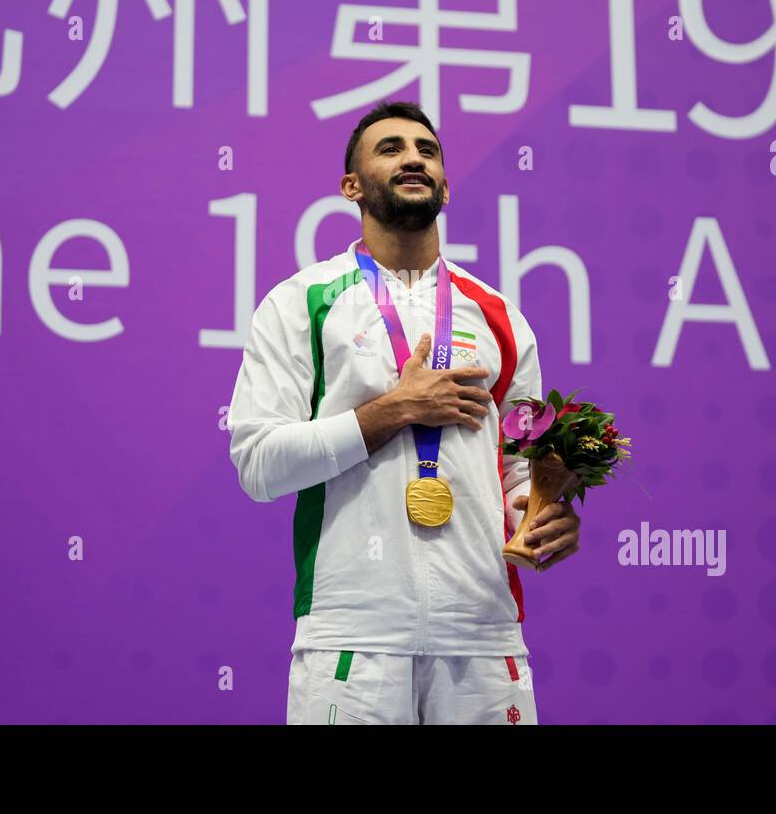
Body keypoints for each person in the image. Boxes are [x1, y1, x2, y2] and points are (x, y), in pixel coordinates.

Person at [227, 100, 581, 724]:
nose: (413, 157)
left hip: (482, 635)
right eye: (390, 148)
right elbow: (259, 464)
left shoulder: (499, 317)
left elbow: (517, 473)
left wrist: (543, 514)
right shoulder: (299, 303)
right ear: (351, 186)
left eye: (427, 150)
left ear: (444, 185)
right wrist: (388, 412)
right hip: (352, 639)